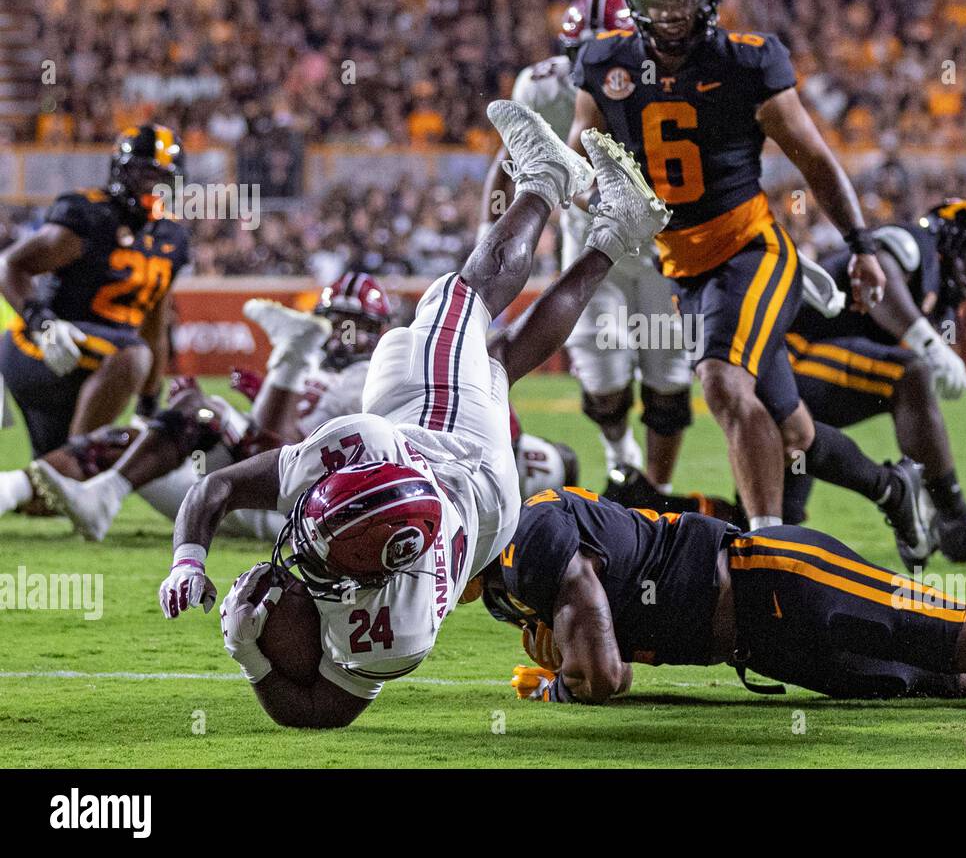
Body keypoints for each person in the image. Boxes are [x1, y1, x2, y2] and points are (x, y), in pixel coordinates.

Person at [158, 102, 669, 728]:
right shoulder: (368, 469)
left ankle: (614, 227)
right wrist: (238, 631)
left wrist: (250, 651)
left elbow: (324, 708)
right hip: (457, 454)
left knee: (496, 361)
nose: (293, 565)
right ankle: (544, 180)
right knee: (455, 301)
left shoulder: (389, 611)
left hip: (485, 515)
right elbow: (227, 489)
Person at [567, 0, 935, 557]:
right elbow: (580, 163)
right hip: (682, 269)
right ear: (633, 2)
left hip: (750, 251)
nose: (670, 14)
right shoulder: (604, 65)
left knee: (721, 383)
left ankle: (768, 552)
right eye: (655, 1)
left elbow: (815, 160)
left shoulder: (746, 62)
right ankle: (893, 490)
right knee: (794, 430)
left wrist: (862, 245)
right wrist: (587, 190)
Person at [479, 487, 966, 704]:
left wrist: (569, 685)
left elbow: (605, 677)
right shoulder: (505, 572)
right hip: (765, 647)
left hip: (776, 578)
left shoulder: (535, 533)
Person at [482, 0, 695, 495]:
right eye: (585, 54)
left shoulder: (670, 77)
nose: (599, 64)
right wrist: (485, 242)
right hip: (594, 246)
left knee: (669, 382)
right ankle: (621, 455)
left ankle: (653, 495)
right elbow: (506, 166)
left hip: (668, 249)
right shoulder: (543, 88)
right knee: (603, 376)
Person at [17, 274, 392, 542]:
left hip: (296, 506)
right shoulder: (319, 369)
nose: (344, 334)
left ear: (378, 331)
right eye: (336, 322)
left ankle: (288, 354)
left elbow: (334, 458)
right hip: (242, 487)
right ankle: (13, 491)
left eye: (355, 325)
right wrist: (265, 398)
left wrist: (266, 406)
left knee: (206, 414)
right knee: (130, 439)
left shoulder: (374, 378)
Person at [784, 200, 966, 566]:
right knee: (909, 374)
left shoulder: (938, 297)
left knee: (773, 527)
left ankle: (916, 502)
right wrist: (929, 344)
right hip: (787, 354)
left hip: (806, 372)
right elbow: (879, 277)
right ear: (951, 242)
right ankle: (947, 515)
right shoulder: (911, 244)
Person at [0, 124, 189, 457]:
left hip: (98, 364)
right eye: (143, 173)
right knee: (132, 356)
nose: (150, 185)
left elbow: (154, 326)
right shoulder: (89, 213)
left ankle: (54, 475)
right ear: (120, 170)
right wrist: (40, 321)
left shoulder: (172, 238)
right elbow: (10, 266)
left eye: (159, 176)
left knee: (49, 492)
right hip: (43, 347)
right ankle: (75, 463)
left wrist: (148, 401)